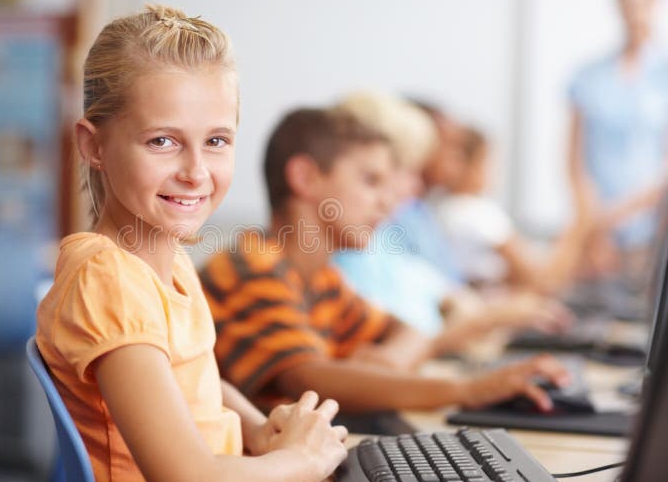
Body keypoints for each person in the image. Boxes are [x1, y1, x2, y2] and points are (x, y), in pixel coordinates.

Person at [35, 5, 348, 482]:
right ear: (94, 146)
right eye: (162, 141)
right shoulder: (109, 278)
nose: (196, 171)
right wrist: (304, 463)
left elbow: (195, 388)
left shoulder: (167, 263)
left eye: (217, 140)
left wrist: (257, 428)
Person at [200, 107, 570, 416]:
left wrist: (386, 365)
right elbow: (309, 380)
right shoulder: (254, 267)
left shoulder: (322, 280)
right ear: (305, 177)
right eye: (370, 180)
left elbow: (407, 331)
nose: (386, 202)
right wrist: (468, 390)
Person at [331, 92, 572, 343]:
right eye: (372, 179)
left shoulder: (404, 226)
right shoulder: (360, 245)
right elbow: (397, 346)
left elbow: (441, 301)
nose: (406, 189)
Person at [567, 0, 668, 276]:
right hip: (597, 236)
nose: (633, 6)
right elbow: (574, 159)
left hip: (652, 230)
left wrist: (616, 215)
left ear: (655, 0)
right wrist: (594, 225)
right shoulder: (589, 75)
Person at [432, 125, 589, 294]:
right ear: (469, 164)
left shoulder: (436, 207)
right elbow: (539, 278)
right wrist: (579, 225)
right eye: (486, 163)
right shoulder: (476, 212)